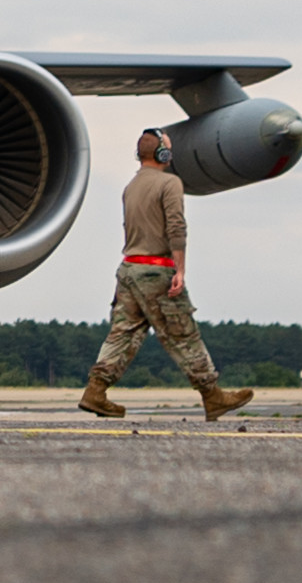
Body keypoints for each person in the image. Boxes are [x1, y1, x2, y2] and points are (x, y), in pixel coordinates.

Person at [83, 128, 244, 421]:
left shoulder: (130, 187)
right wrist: (179, 269)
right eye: (168, 148)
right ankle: (213, 396)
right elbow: (176, 228)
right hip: (156, 270)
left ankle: (96, 391)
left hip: (129, 269)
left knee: (122, 334)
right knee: (183, 334)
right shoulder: (170, 183)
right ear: (162, 154)